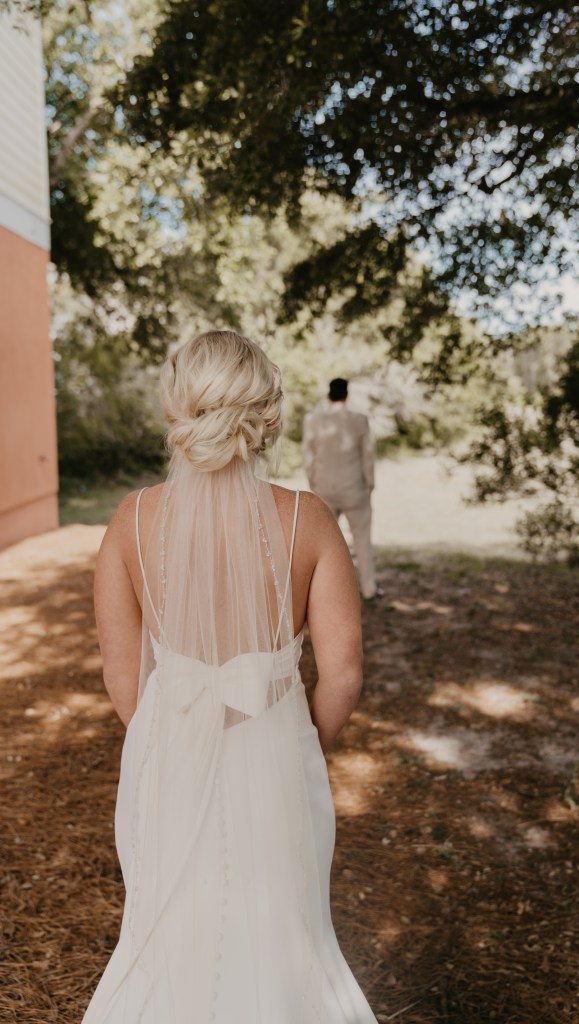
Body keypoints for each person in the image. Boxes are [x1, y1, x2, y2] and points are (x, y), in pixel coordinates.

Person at [84, 331, 378, 1023]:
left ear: (174, 410)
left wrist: (171, 736)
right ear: (265, 413)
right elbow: (342, 674)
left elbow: (122, 675)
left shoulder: (130, 521)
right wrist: (300, 742)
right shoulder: (309, 523)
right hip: (274, 745)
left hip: (167, 748)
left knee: (165, 926)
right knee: (283, 930)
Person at [302, 378, 380, 600]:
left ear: (329, 395)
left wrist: (313, 482)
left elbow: (308, 454)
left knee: (320, 543)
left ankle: (318, 592)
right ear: (346, 395)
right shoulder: (359, 420)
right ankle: (369, 588)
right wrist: (370, 484)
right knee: (362, 539)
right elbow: (368, 456)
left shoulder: (313, 420)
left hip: (324, 488)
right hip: (354, 489)